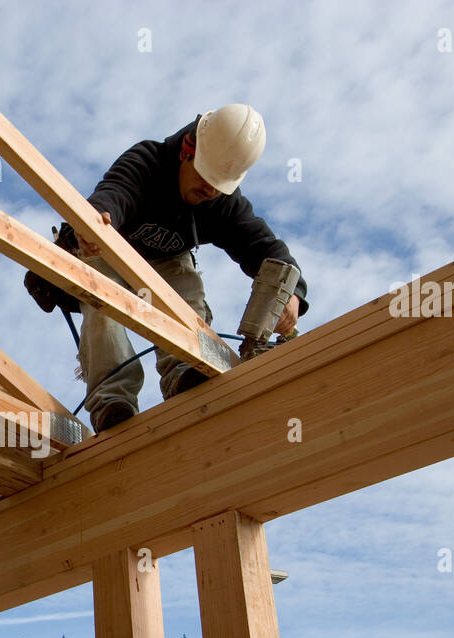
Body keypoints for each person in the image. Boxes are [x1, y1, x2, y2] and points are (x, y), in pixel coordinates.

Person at [68, 104, 309, 432]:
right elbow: (117, 191)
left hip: (167, 262)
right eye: (206, 178)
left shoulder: (220, 202)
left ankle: (185, 370)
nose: (210, 190)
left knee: (187, 288)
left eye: (218, 185)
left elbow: (264, 247)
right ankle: (112, 400)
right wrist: (95, 220)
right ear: (186, 151)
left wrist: (294, 293)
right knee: (102, 302)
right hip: (110, 247)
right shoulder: (149, 161)